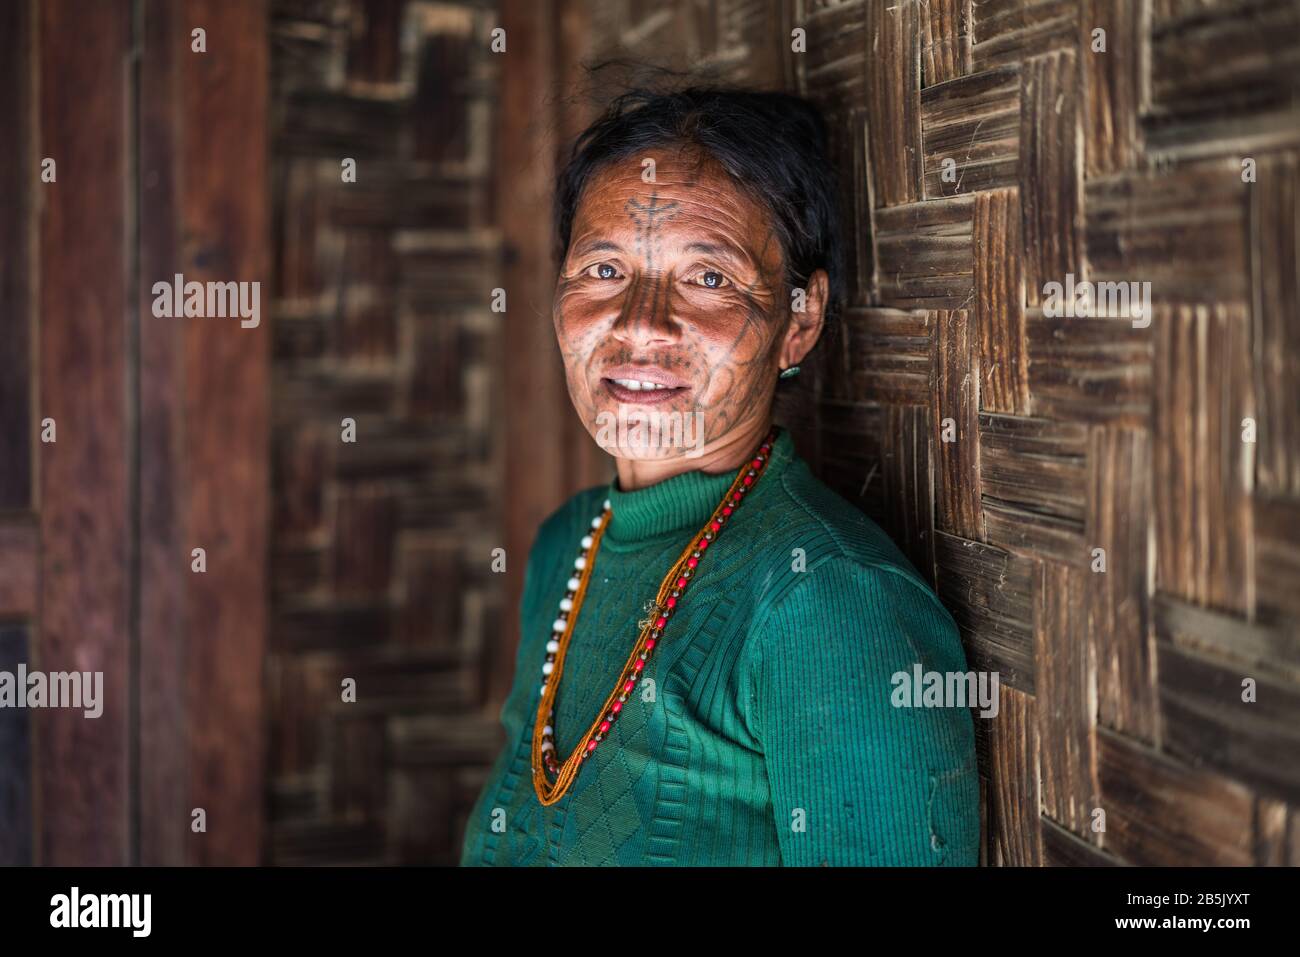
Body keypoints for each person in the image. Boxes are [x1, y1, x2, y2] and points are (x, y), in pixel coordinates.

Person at [460, 87, 979, 866]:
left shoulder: (825, 599)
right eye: (604, 268)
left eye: (707, 278)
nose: (640, 322)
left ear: (798, 320)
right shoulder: (567, 543)